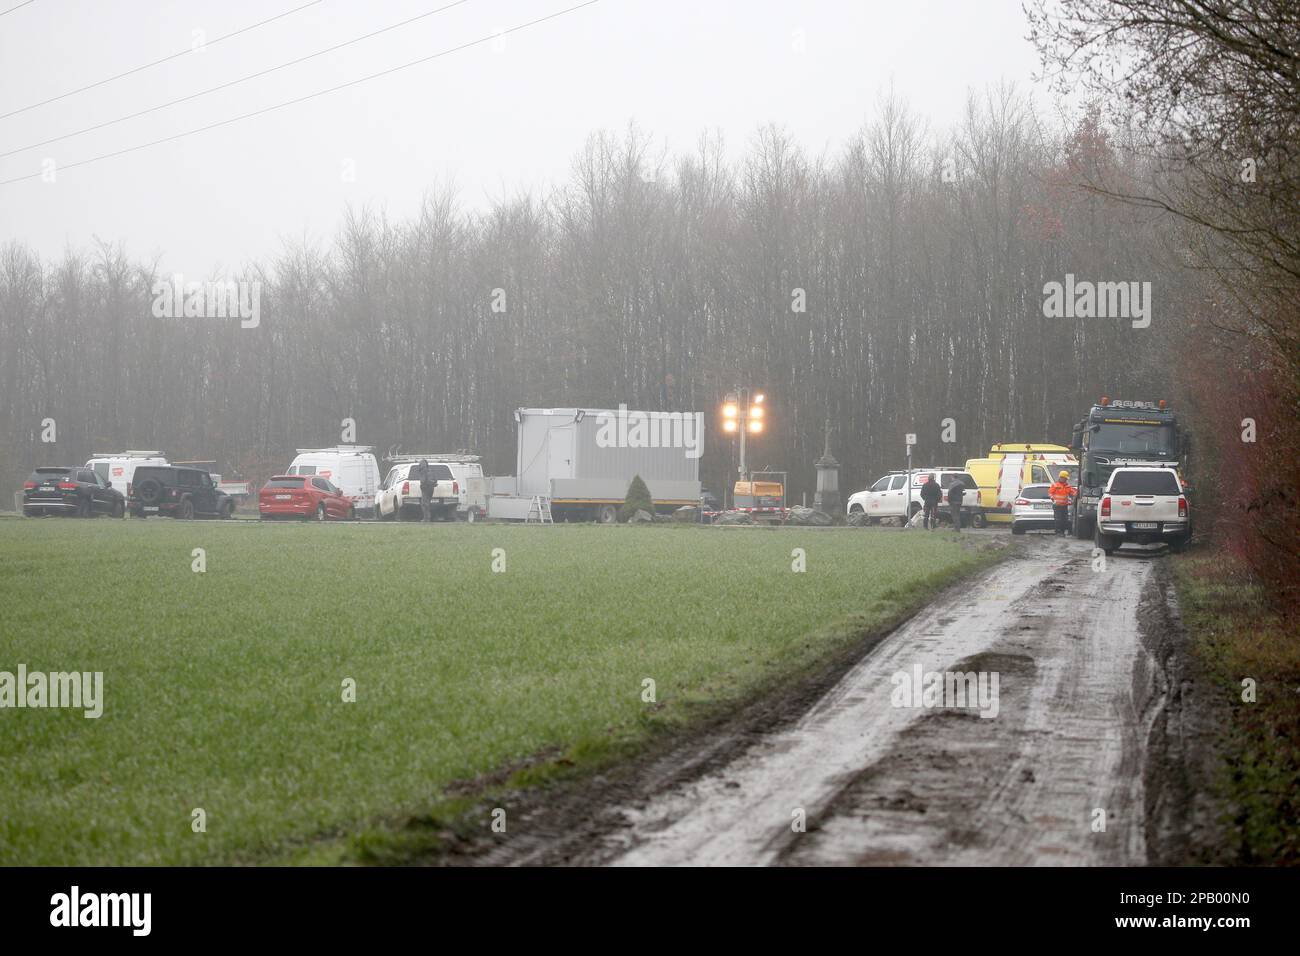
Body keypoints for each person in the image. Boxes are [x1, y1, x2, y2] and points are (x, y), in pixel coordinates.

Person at [1049, 470, 1076, 535]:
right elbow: (1050, 493)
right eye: (1065, 478)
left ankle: (1062, 532)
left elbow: (1073, 493)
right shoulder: (1055, 485)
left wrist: (1076, 494)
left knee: (1064, 519)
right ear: (1061, 478)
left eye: (1066, 479)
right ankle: (1058, 532)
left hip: (1064, 505)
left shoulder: (1068, 486)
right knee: (1058, 519)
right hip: (1057, 505)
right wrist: (1053, 499)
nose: (1066, 480)